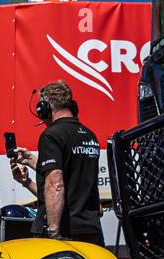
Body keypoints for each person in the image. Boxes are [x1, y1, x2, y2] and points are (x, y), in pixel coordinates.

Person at [11, 80, 103, 244]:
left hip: (64, 234)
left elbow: (56, 185)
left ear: (44, 109)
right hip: (90, 230)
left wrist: (53, 232)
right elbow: (73, 183)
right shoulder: (89, 135)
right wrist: (29, 176)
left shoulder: (51, 135)